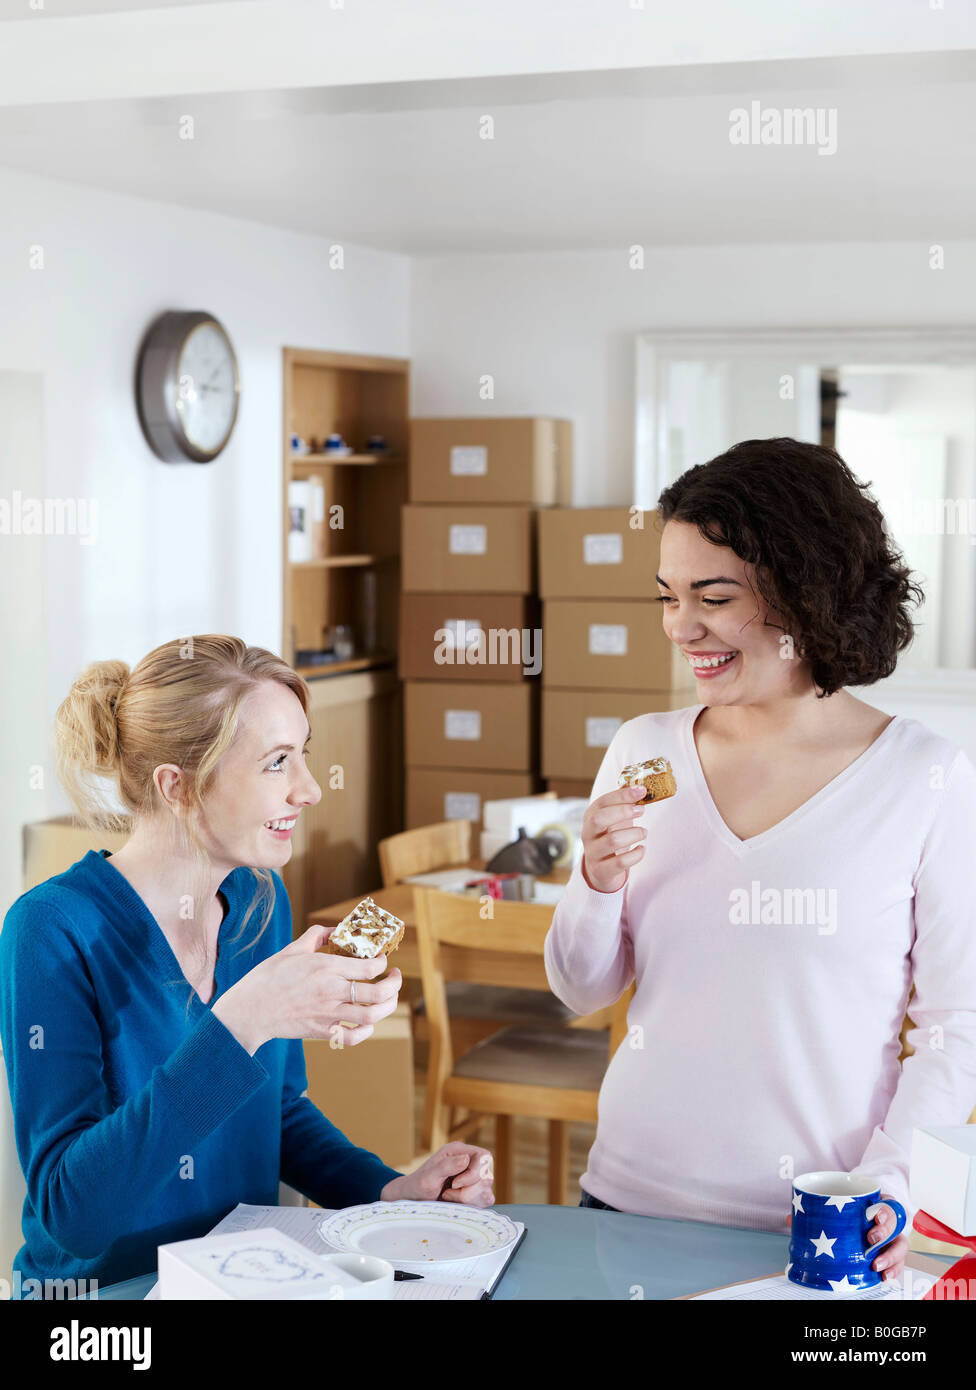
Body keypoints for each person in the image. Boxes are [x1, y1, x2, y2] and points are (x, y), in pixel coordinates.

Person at [545, 437, 976, 1286]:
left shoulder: (925, 776)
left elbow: (956, 1028)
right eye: (668, 597)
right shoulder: (643, 749)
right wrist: (596, 881)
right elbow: (579, 987)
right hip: (628, 1200)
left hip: (825, 1223)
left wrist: (892, 1177)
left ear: (806, 591)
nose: (681, 627)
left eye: (713, 597)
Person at [0, 635, 493, 1297]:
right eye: (276, 763)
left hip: (245, 1280)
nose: (311, 789)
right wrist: (239, 1025)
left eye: (304, 754)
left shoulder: (259, 901)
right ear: (177, 787)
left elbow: (277, 1115)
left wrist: (389, 1191)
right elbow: (74, 1217)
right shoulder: (53, 929)